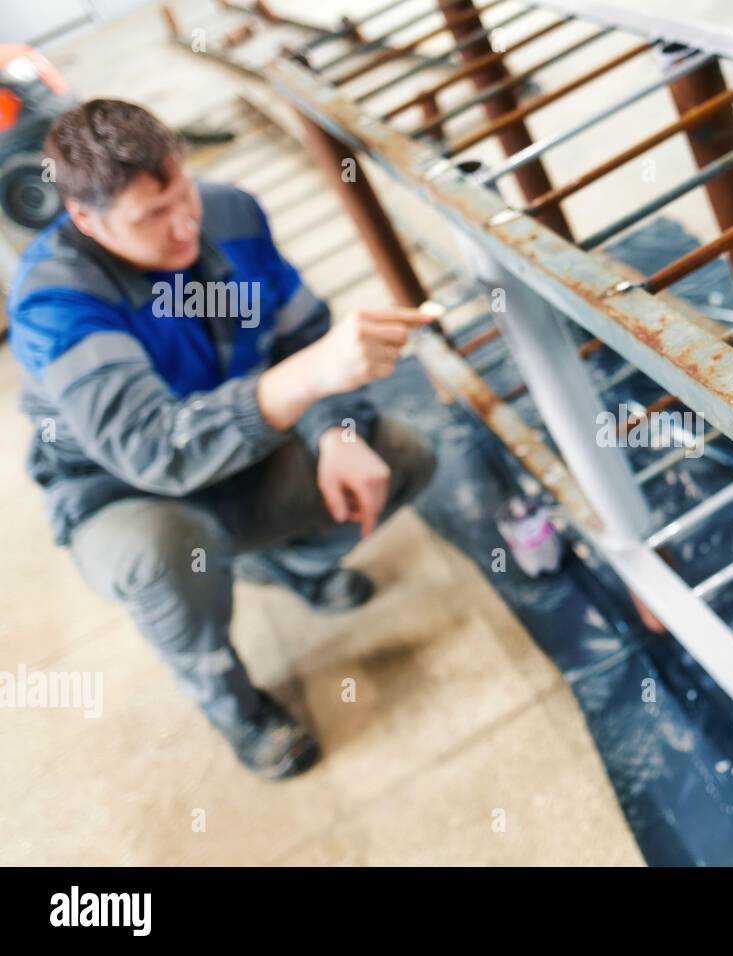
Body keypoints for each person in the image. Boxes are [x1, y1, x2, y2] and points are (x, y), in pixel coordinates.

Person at [7, 99, 438, 778]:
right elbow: (153, 448)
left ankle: (288, 566)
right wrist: (306, 378)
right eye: (152, 216)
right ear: (85, 219)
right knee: (171, 552)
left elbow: (299, 331)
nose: (184, 226)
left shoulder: (229, 212)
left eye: (183, 193)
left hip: (242, 450)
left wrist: (334, 428)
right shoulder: (54, 302)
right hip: (122, 494)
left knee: (396, 454)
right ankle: (235, 705)